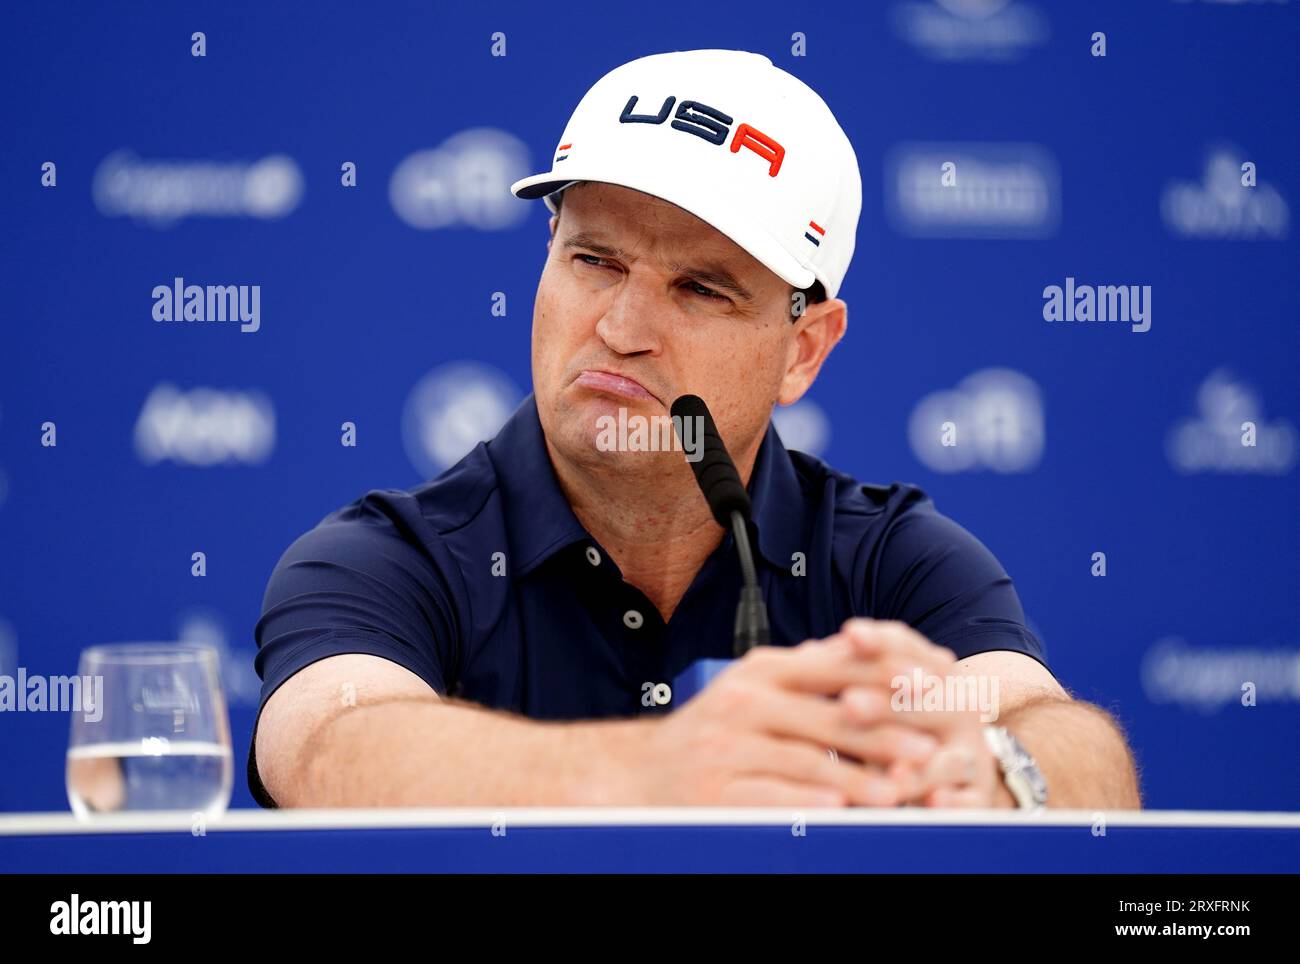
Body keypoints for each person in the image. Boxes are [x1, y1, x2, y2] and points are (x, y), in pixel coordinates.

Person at [250, 49, 1140, 810]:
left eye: (700, 289)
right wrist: (661, 771)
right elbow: (331, 753)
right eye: (593, 260)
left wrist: (992, 775)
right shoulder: (390, 556)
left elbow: (1079, 757)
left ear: (804, 349)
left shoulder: (889, 561)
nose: (623, 326)